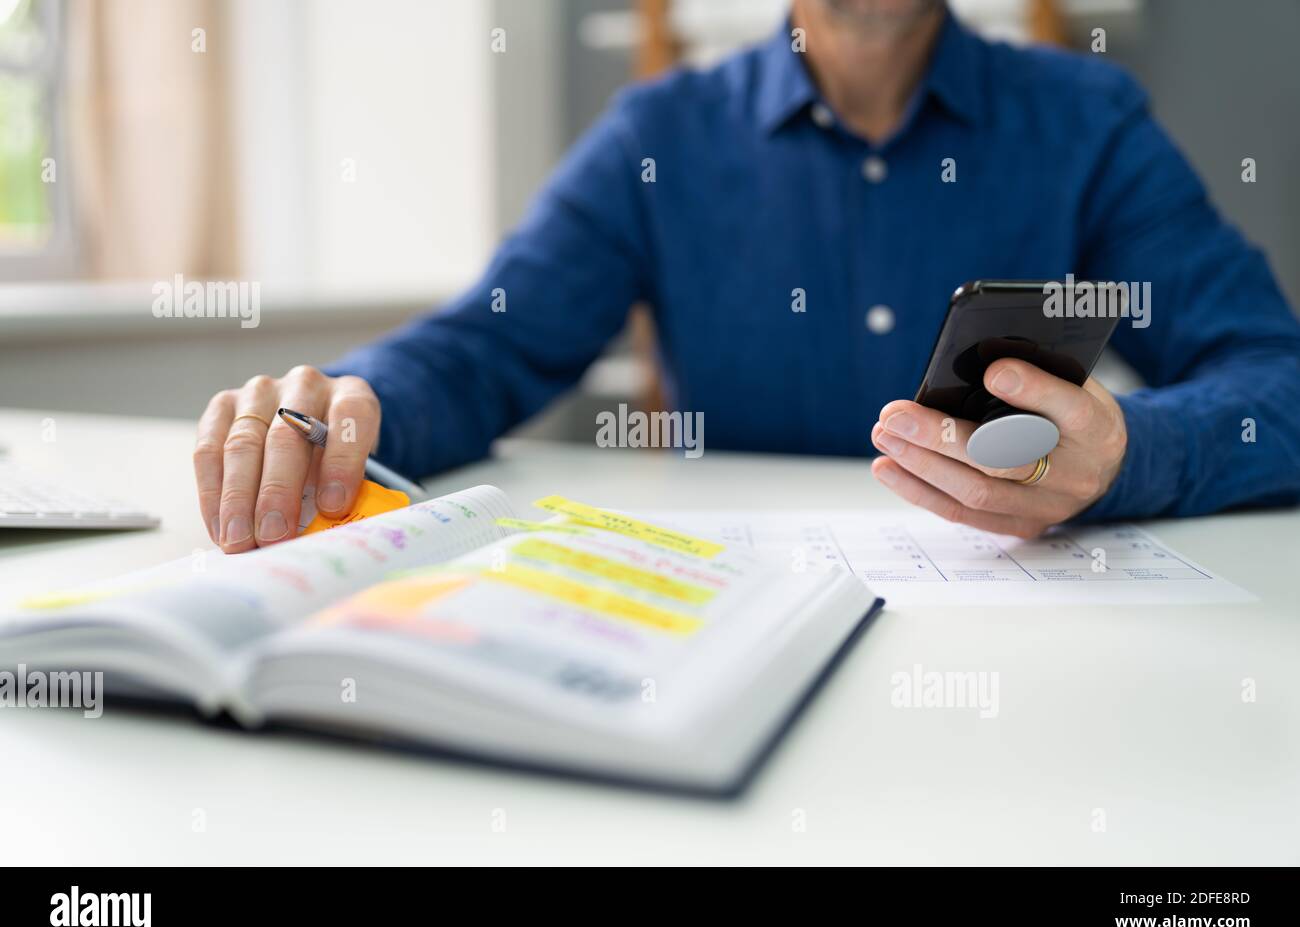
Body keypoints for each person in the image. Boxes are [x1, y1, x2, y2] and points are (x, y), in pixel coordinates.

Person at [194, 0, 1300, 553]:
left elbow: (1277, 379)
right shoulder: (656, 131)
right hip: (724, 623)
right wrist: (345, 403)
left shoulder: (1087, 121)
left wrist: (1127, 457)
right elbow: (485, 342)